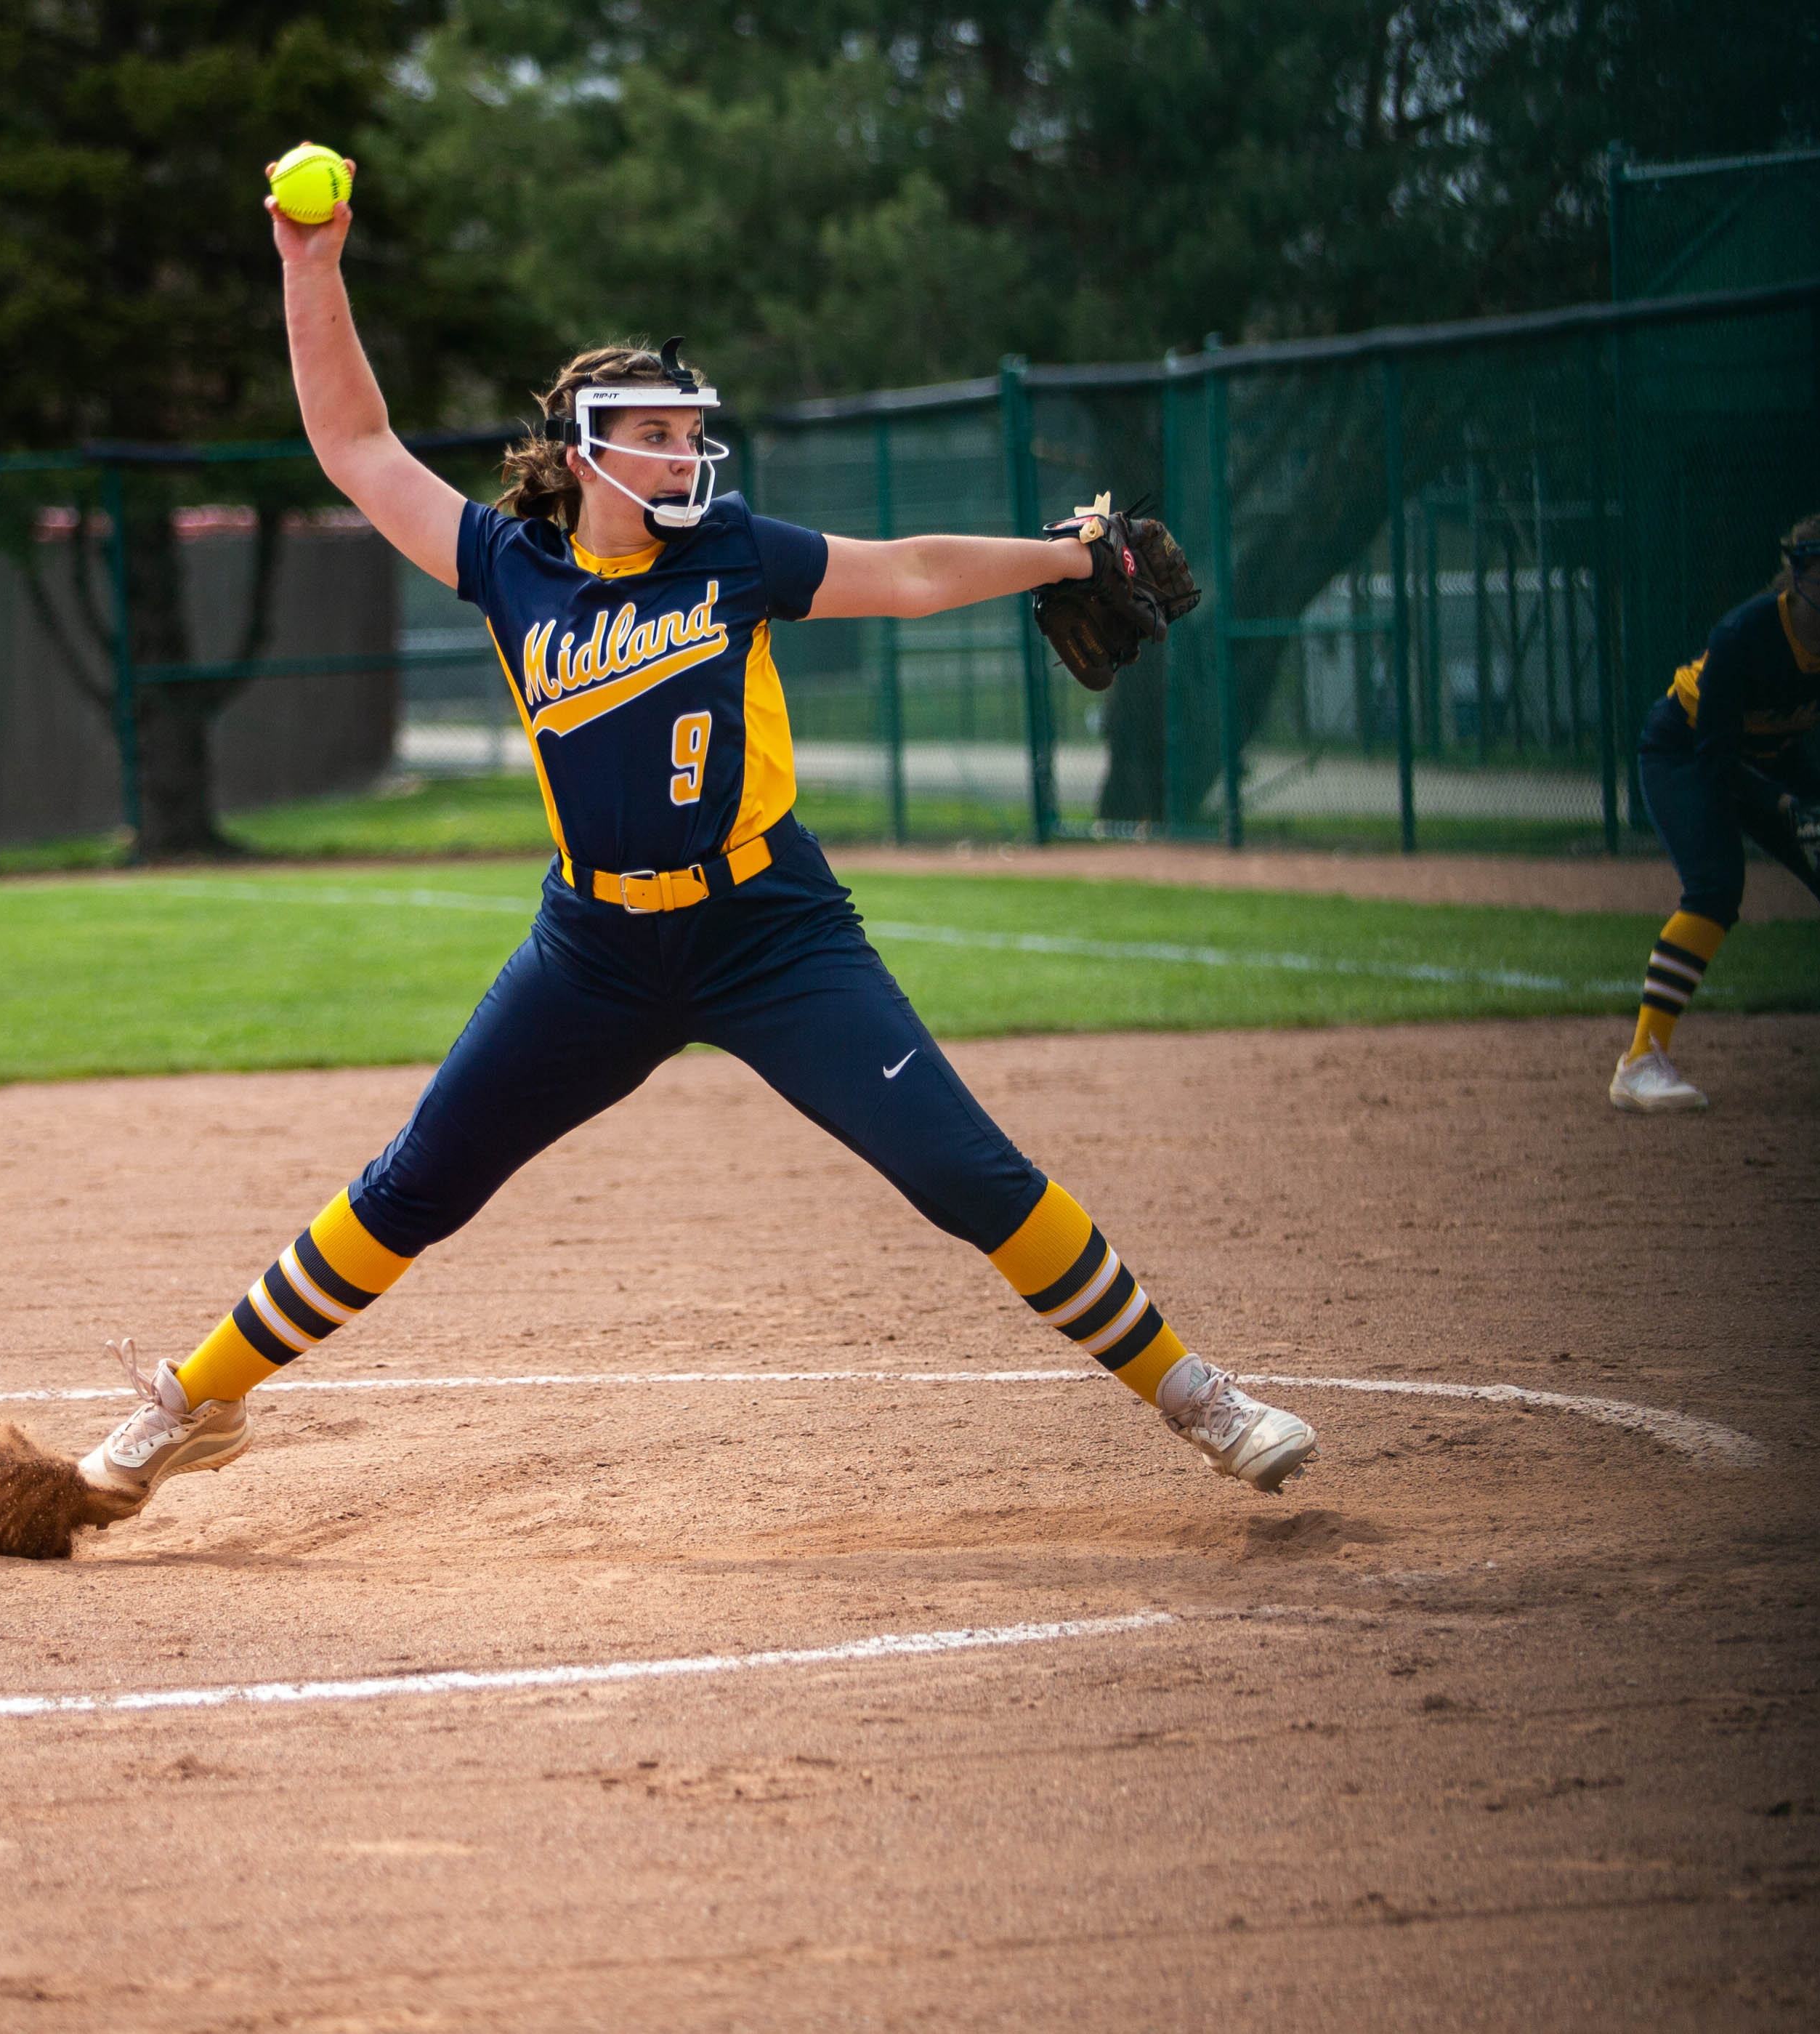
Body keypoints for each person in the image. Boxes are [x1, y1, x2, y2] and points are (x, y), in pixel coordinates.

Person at [71, 161, 1319, 1514]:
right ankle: (189, 1406)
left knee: (963, 1170)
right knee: (413, 1183)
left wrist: (1066, 557)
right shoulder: (508, 565)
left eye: (689, 433)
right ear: (583, 449)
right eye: (654, 433)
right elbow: (358, 449)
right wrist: (310, 269)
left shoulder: (731, 551)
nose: (681, 455)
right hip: (594, 947)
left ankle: (1200, 1397)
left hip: (768, 930)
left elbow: (904, 573)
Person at [1610, 513, 1820, 1112]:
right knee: (1716, 889)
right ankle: (1639, 1062)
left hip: (1773, 756)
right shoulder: (1745, 633)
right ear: (1796, 573)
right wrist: (1786, 806)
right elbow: (1717, 759)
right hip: (1686, 751)